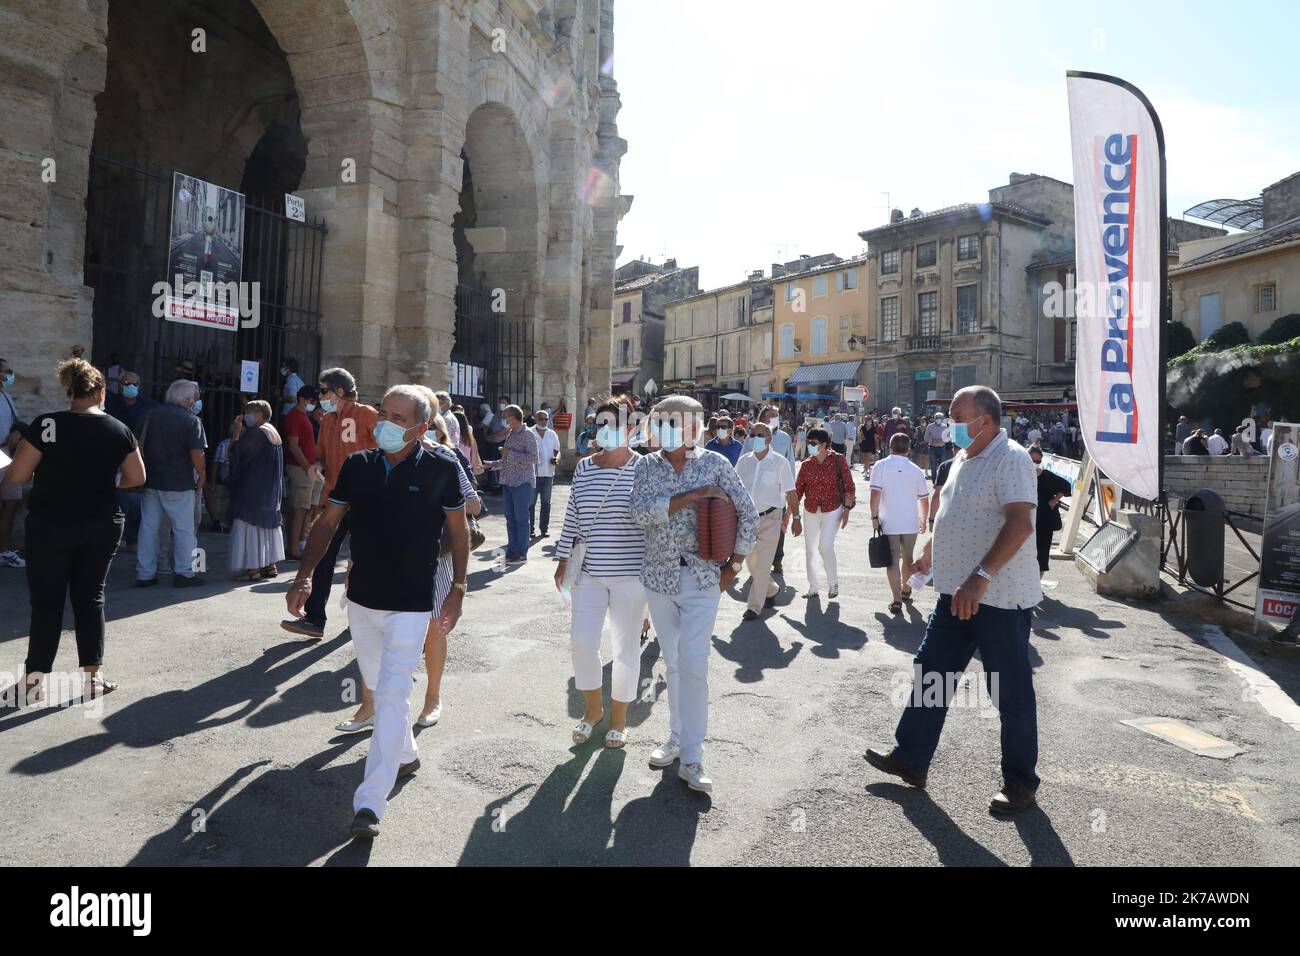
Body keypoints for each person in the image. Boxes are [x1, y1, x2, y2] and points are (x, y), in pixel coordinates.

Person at [287, 385, 469, 840]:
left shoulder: (442, 468)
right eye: (384, 412)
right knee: (377, 685)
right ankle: (405, 753)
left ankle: (370, 801)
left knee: (390, 695)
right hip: (362, 601)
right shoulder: (358, 465)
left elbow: (460, 530)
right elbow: (327, 522)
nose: (385, 423)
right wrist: (304, 577)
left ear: (422, 427)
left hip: (412, 602)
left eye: (398, 417)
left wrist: (459, 588)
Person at [865, 385, 1042, 816]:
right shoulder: (964, 457)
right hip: (953, 592)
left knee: (1010, 692)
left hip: (997, 596)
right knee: (932, 673)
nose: (950, 424)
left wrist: (980, 578)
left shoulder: (1011, 458)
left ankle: (1020, 784)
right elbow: (954, 512)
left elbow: (1020, 525)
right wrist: (928, 552)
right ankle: (911, 758)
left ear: (985, 419)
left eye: (957, 415)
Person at [629, 396, 758, 793]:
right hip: (659, 578)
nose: (661, 430)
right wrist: (691, 496)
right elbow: (640, 512)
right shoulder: (647, 465)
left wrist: (733, 567)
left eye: (670, 422)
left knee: (695, 662)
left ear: (691, 426)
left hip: (704, 579)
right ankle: (675, 736)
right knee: (672, 662)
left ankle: (693, 755)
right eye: (658, 423)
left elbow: (747, 513)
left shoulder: (716, 464)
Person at [7, 358, 145, 703]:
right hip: (100, 523)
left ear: (70, 392)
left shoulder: (46, 425)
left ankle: (33, 683)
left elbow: (17, 477)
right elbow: (136, 478)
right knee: (90, 598)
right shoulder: (117, 429)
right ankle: (93, 679)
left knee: (47, 602)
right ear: (101, 392)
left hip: (50, 524)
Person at [555, 397, 646, 748]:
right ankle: (593, 710)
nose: (605, 431)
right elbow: (573, 517)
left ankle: (620, 719)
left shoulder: (645, 467)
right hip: (589, 571)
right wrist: (563, 561)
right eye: (600, 424)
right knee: (581, 642)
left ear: (631, 428)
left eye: (614, 424)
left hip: (631, 576)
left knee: (625, 649)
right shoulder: (584, 468)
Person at [280, 367, 377, 639]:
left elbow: (384, 450)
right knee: (322, 556)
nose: (319, 396)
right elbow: (321, 454)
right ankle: (314, 619)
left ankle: (363, 620)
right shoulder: (328, 420)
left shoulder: (366, 414)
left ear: (340, 391)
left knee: (362, 561)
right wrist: (317, 465)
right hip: (334, 498)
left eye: (323, 391)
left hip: (364, 500)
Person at [134, 379, 207, 588]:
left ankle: (145, 573)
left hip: (151, 479)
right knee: (184, 529)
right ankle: (185, 572)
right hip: (179, 481)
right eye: (195, 397)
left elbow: (137, 446)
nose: (196, 401)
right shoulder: (190, 420)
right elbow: (197, 452)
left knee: (148, 528)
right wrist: (202, 475)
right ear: (188, 399)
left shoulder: (149, 415)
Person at [735, 418, 798, 621]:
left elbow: (791, 492)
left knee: (762, 565)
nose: (755, 439)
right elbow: (733, 489)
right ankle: (771, 590)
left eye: (759, 435)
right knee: (751, 563)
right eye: (752, 435)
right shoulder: (744, 461)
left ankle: (754, 606)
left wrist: (795, 517)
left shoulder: (780, 462)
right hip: (746, 520)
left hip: (771, 518)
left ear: (770, 438)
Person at [226, 400, 286, 581]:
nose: (245, 416)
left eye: (248, 412)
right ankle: (269, 565)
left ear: (259, 414)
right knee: (266, 526)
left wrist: (236, 432)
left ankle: (252, 569)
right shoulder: (272, 431)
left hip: (253, 488)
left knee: (249, 526)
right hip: (269, 488)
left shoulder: (257, 432)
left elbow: (236, 452)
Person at [870, 433, 929, 614]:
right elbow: (924, 500)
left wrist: (873, 517)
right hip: (911, 520)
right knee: (908, 558)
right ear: (909, 450)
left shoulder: (880, 466)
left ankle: (896, 600)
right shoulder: (916, 470)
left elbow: (875, 495)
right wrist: (923, 519)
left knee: (893, 560)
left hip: (889, 520)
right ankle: (906, 589)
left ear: (889, 446)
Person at [794, 426, 855, 600]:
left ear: (825, 444)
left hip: (833, 509)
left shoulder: (838, 460)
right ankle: (813, 586)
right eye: (809, 443)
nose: (810, 446)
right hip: (811, 510)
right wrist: (791, 516)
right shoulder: (806, 464)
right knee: (810, 550)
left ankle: (833, 583)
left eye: (814, 443)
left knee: (825, 546)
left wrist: (847, 510)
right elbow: (797, 491)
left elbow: (849, 486)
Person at [491, 404, 538, 563]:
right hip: (508, 481)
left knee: (521, 519)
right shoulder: (511, 433)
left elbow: (533, 458)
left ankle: (521, 553)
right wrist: (490, 464)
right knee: (510, 519)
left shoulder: (528, 434)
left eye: (505, 417)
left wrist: (509, 454)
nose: (503, 420)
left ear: (513, 417)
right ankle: (512, 552)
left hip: (522, 482)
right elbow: (506, 459)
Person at [283, 386, 322, 559]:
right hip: (300, 469)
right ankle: (293, 548)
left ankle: (299, 544)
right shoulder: (295, 416)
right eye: (311, 401)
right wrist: (307, 467)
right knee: (298, 509)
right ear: (302, 399)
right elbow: (293, 445)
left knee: (305, 508)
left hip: (307, 467)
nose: (313, 404)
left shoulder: (302, 416)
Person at [1027, 445, 1072, 579]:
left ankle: (1037, 583)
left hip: (1044, 520)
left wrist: (1054, 500)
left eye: (1038, 461)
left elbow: (1066, 486)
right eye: (1032, 460)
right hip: (1025, 519)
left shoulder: (1046, 475)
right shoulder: (1018, 474)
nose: (1035, 464)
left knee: (1042, 552)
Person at [0, 355, 26, 568]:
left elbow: (18, 422)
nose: (9, 375)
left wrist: (17, 431)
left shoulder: (5, 396)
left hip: (6, 453)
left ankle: (4, 550)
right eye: (6, 372)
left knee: (12, 501)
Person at [529, 407, 561, 538]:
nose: (543, 421)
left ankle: (544, 529)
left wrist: (556, 459)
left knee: (546, 502)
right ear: (535, 419)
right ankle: (530, 529)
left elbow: (557, 451)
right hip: (532, 473)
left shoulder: (552, 434)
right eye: (541, 418)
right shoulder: (529, 433)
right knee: (530, 503)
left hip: (548, 473)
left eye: (546, 419)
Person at [923, 412, 948, 483]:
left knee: (942, 465)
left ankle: (942, 481)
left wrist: (942, 440)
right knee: (933, 466)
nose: (938, 419)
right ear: (934, 418)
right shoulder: (930, 426)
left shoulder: (945, 426)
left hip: (942, 448)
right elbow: (925, 438)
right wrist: (932, 440)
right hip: (932, 448)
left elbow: (948, 438)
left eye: (940, 418)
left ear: (942, 419)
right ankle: (934, 481)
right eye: (937, 418)